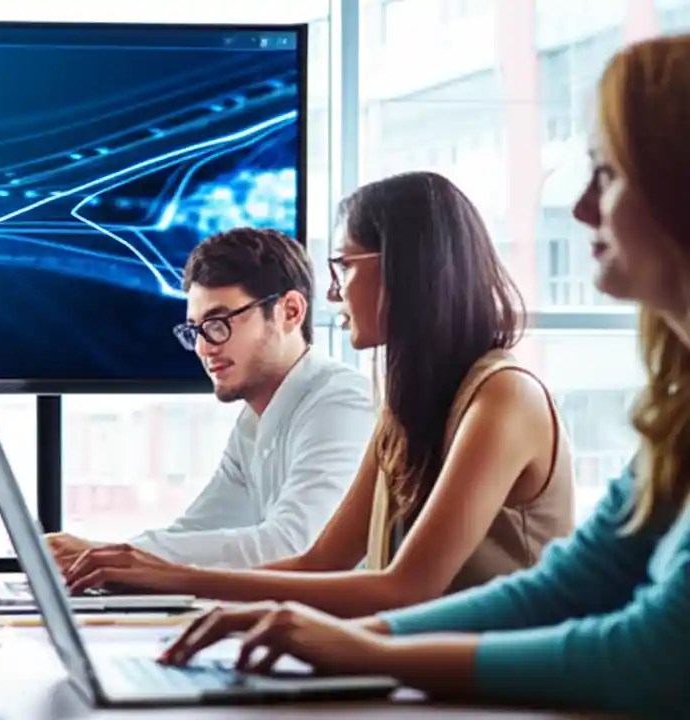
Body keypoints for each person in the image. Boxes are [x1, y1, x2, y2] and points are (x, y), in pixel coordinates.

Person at [157, 34, 690, 717]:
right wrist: (334, 638)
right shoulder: (675, 412)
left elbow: (648, 657)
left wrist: (369, 651)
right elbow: (572, 587)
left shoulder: (502, 395)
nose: (582, 208)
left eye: (607, 175)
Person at [62, 171, 575, 618]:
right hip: (422, 670)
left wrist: (173, 579)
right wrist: (147, 573)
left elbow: (405, 588)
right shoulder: (404, 412)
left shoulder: (503, 397)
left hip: (497, 684)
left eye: (344, 267)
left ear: (406, 269)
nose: (332, 292)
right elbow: (320, 562)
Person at [49, 227, 376, 569]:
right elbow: (194, 532)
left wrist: (114, 558)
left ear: (290, 312)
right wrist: (97, 555)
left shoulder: (341, 402)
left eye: (219, 323)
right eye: (196, 330)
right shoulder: (254, 421)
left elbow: (294, 545)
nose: (204, 348)